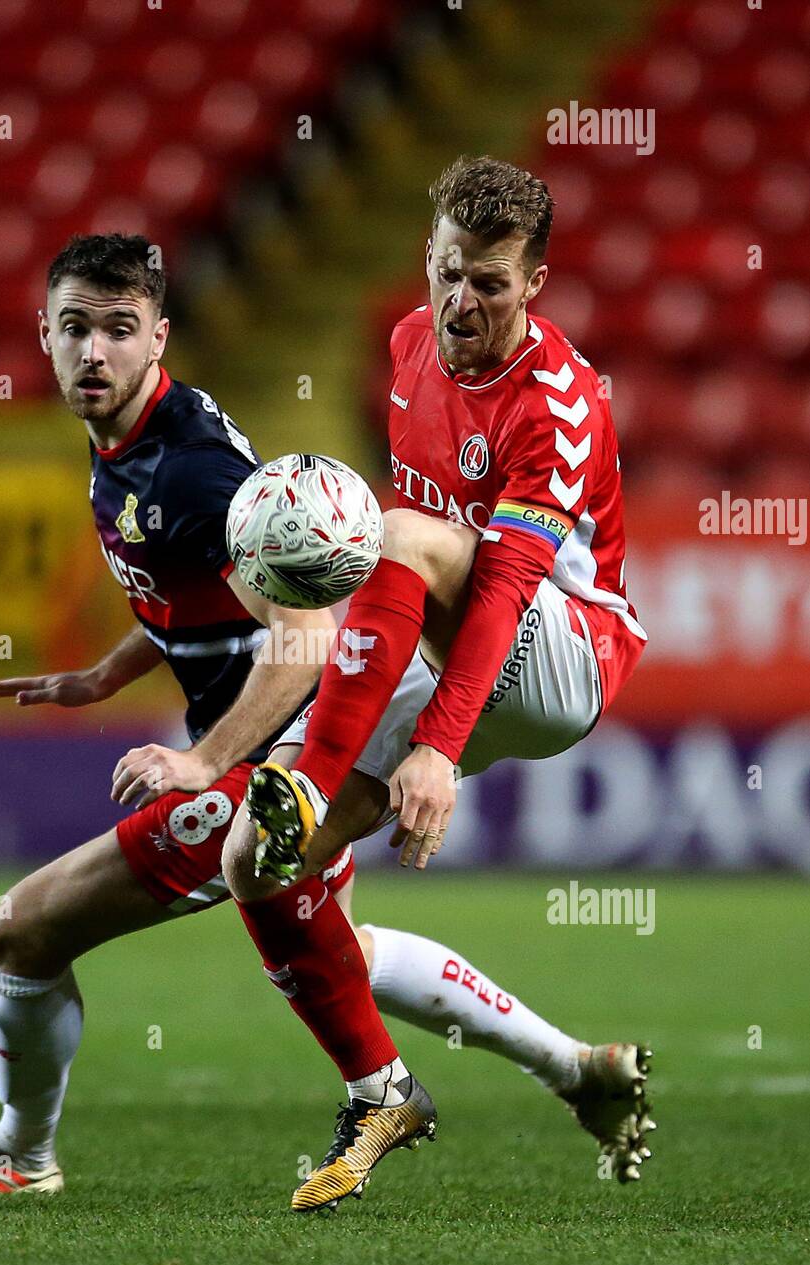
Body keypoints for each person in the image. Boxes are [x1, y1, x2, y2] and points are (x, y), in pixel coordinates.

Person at [0, 234, 640, 1209]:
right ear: (45, 333)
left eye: (119, 330)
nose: (94, 353)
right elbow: (196, 590)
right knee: (337, 951)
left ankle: (22, 1155)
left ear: (159, 334)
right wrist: (105, 674)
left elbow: (304, 634)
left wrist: (206, 758)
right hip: (274, 746)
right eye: (75, 329)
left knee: (22, 933)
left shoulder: (190, 468)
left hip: (271, 756)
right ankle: (578, 1069)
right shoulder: (125, 446)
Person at [222, 156, 653, 1210]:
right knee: (263, 867)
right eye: (448, 271)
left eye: (491, 283)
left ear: (535, 282)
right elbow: (414, 569)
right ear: (427, 257)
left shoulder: (558, 404)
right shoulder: (407, 345)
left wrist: (437, 749)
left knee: (398, 533)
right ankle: (568, 1073)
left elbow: (501, 580)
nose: (462, 300)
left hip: (565, 650)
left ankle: (317, 779)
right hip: (455, 647)